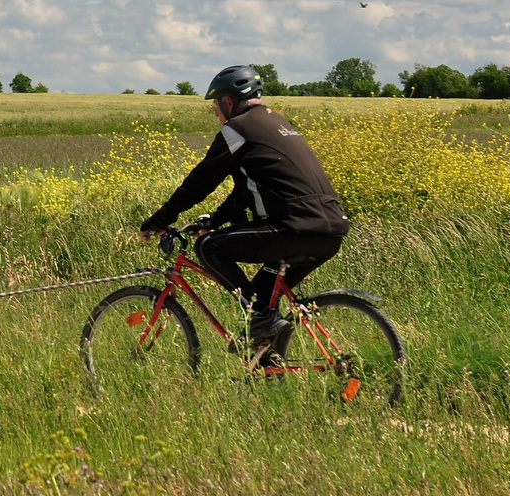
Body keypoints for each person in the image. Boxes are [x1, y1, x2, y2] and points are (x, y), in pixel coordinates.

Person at [137, 65, 351, 343]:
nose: (216, 113)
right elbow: (246, 190)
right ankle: (267, 367)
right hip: (330, 231)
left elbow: (200, 182)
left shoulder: (238, 128)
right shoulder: (278, 123)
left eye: (215, 105)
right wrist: (214, 219)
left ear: (228, 101)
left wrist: (160, 220)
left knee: (208, 246)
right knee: (260, 300)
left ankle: (262, 319)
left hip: (293, 228)